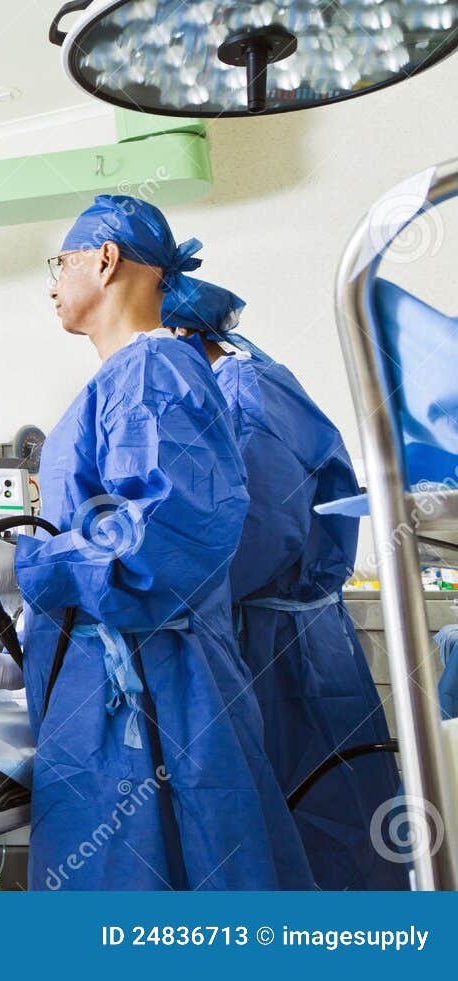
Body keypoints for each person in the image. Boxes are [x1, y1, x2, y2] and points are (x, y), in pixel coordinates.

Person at [0, 195, 312, 891]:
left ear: (105, 260)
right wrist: (30, 657)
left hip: (156, 708)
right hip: (112, 693)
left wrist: (24, 562)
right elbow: (105, 547)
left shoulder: (154, 373)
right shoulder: (119, 382)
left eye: (61, 263)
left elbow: (163, 543)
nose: (52, 283)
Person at [162, 275, 404, 890]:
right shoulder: (240, 386)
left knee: (314, 830)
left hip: (281, 654)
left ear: (180, 333)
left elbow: (250, 540)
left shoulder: (242, 398)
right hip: (288, 641)